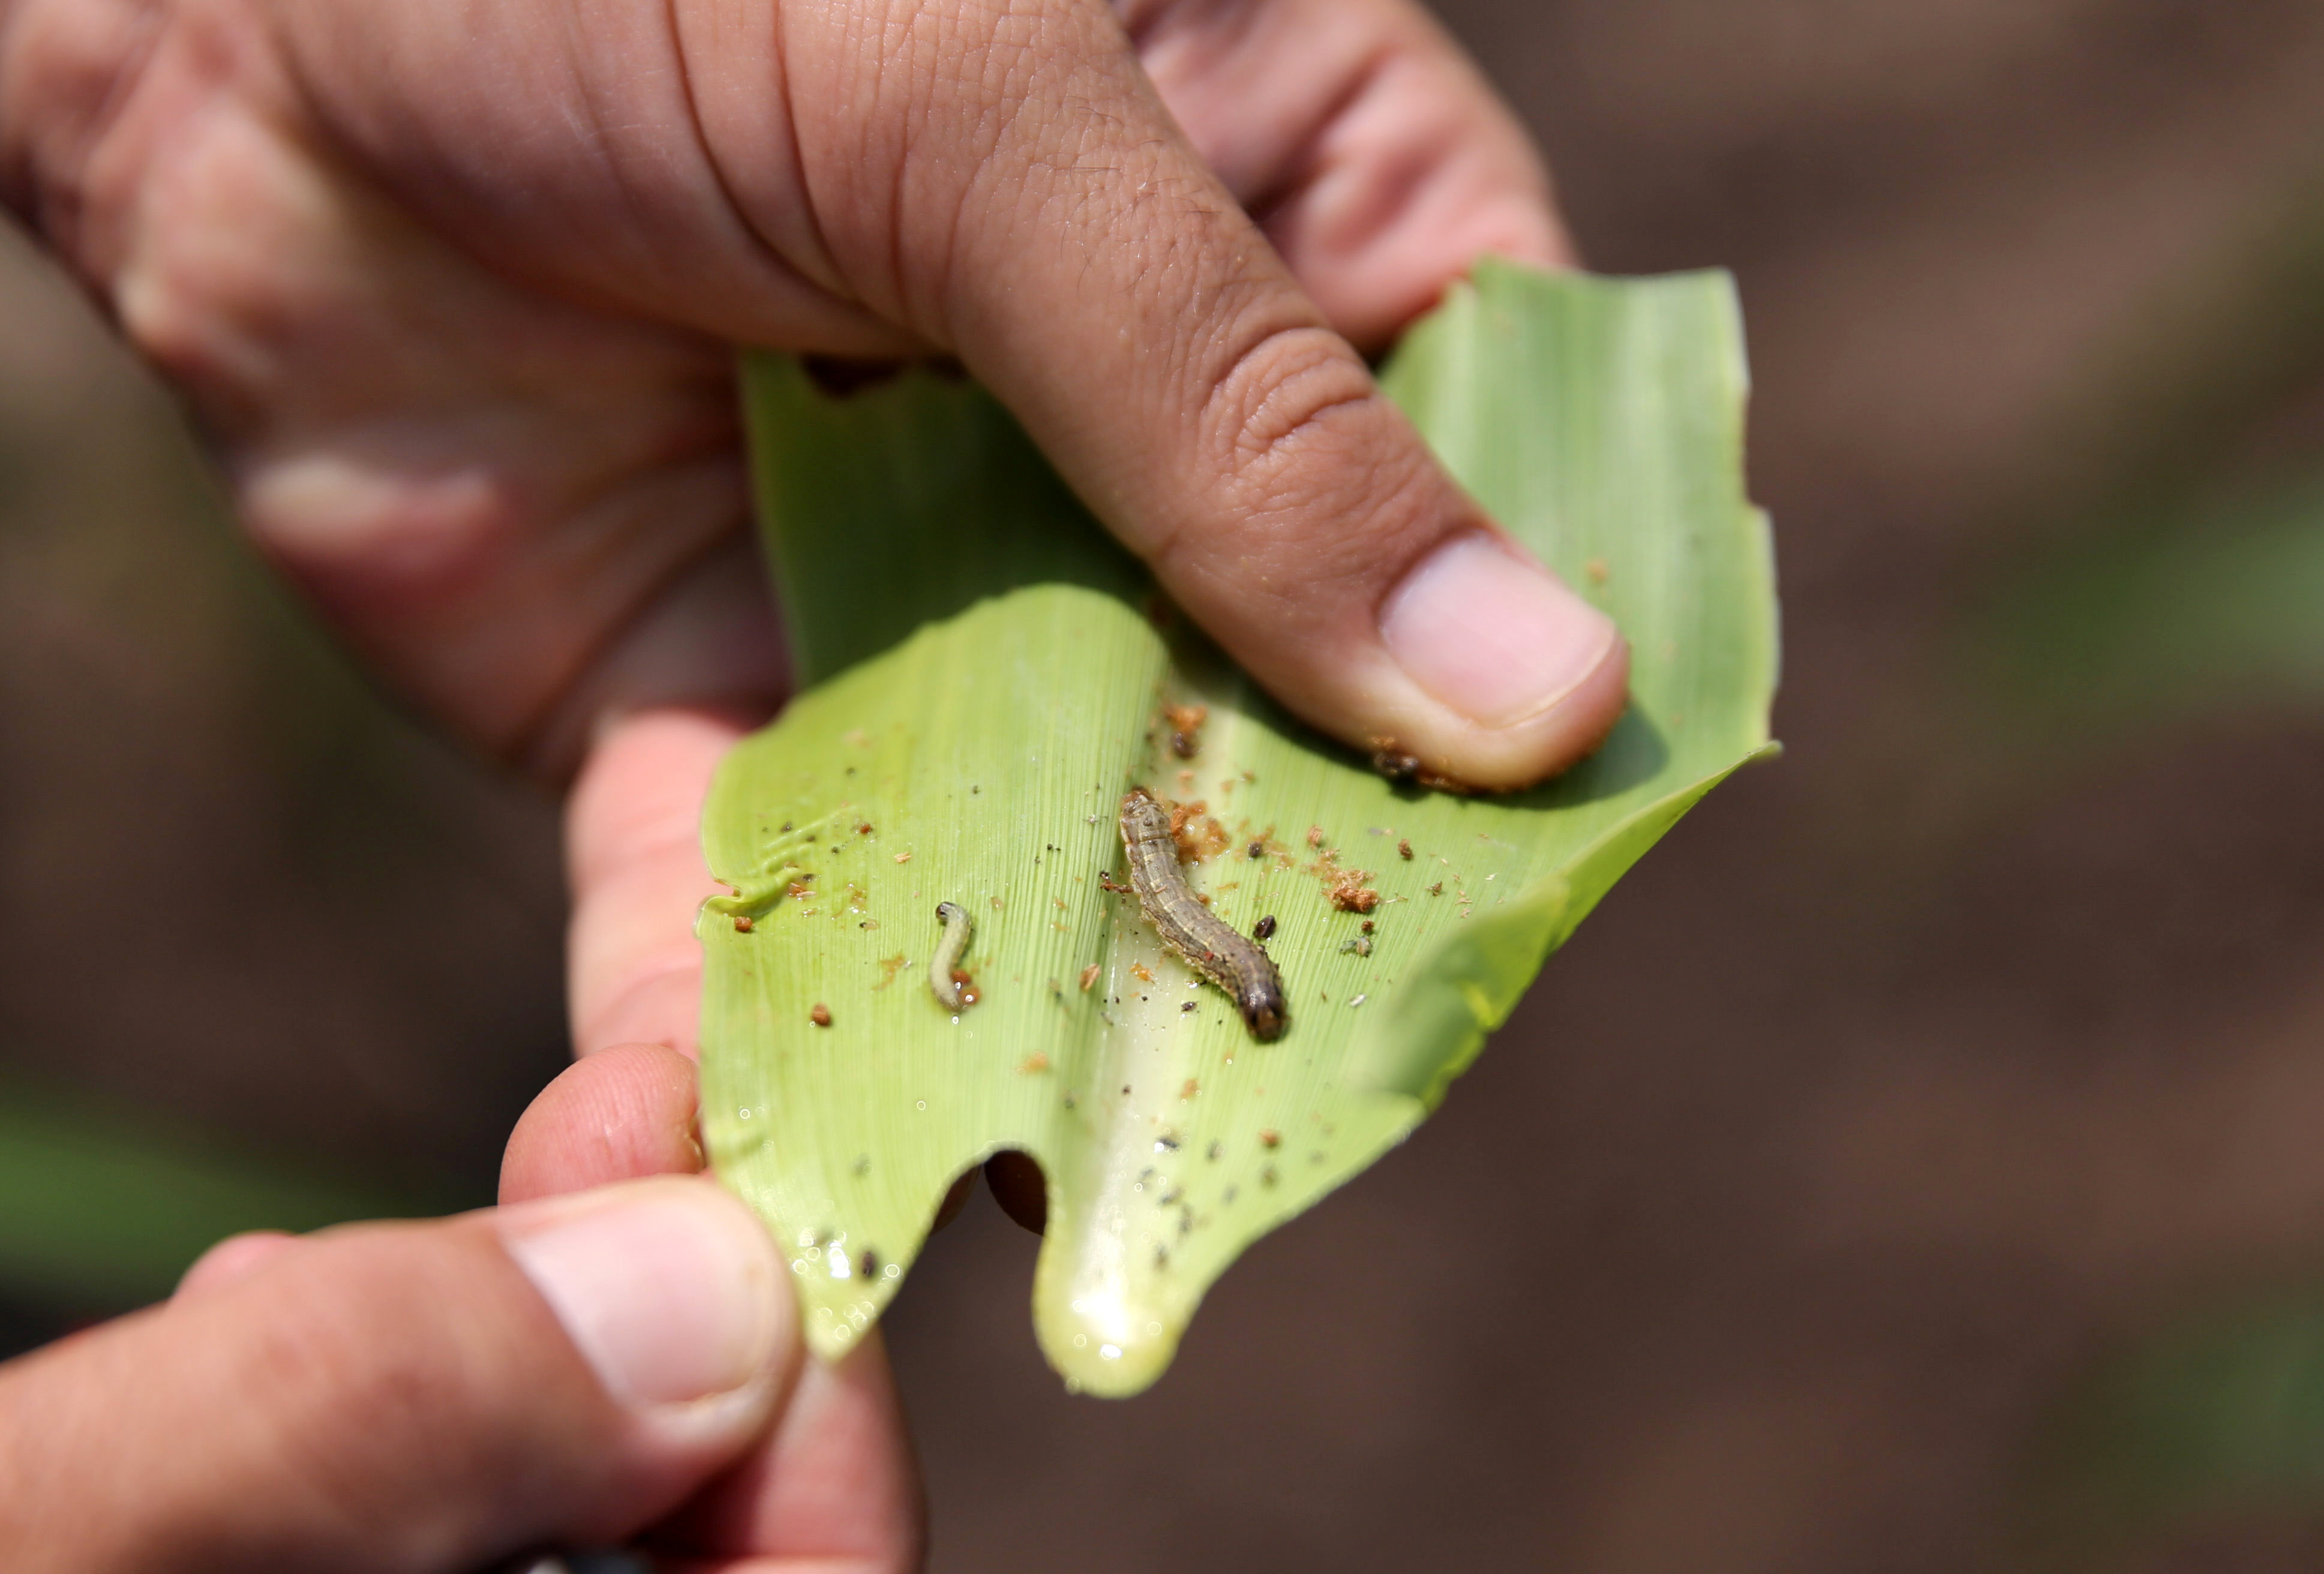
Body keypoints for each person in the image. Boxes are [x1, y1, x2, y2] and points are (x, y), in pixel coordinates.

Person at [0, 0, 1627, 1564]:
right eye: (1235, 970)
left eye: (1232, 971)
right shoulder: (1152, 867)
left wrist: (195, 54)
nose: (1219, 954)